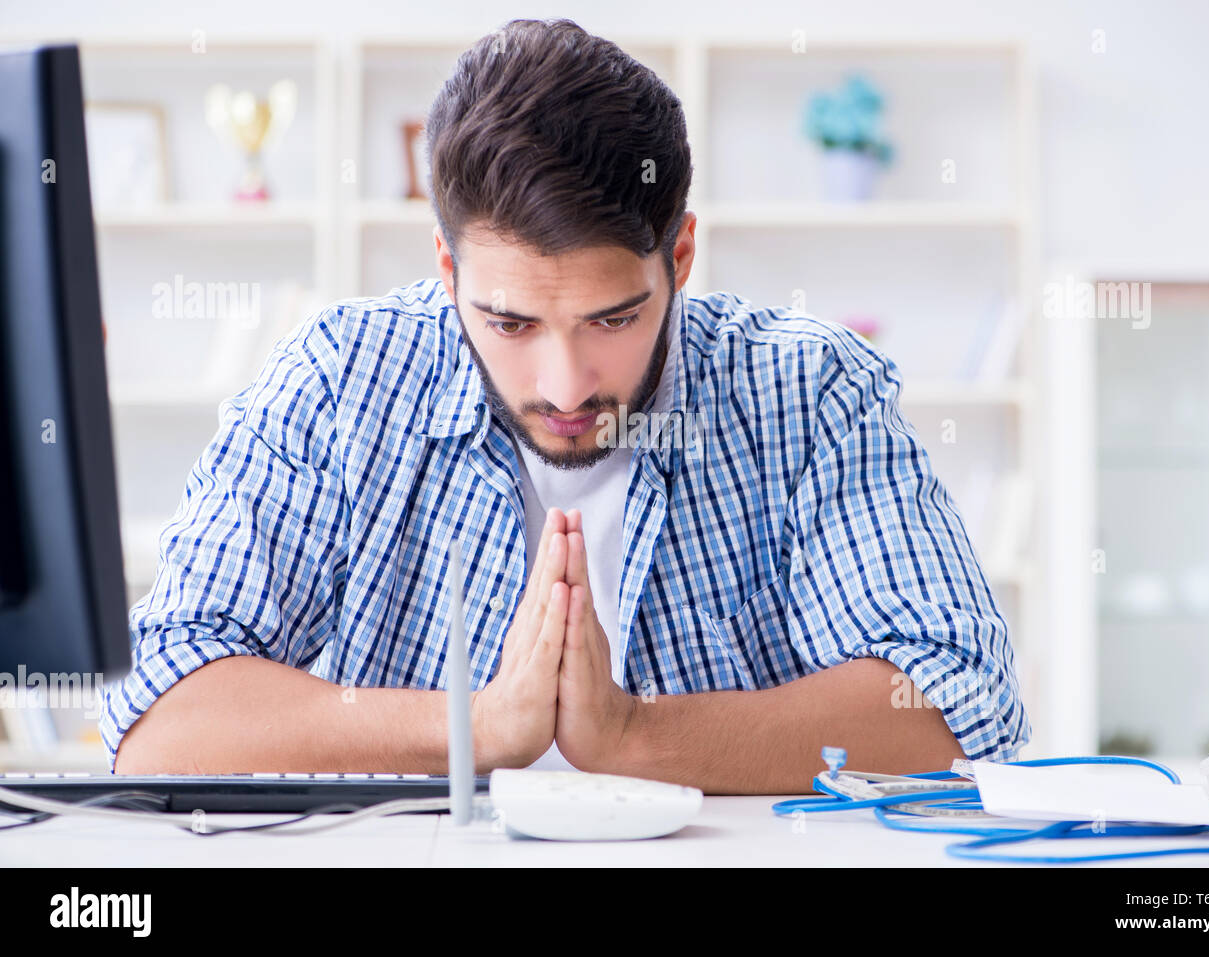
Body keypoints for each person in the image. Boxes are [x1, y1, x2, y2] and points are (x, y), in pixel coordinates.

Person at [102, 18, 1029, 793]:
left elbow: (964, 704)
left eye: (612, 317)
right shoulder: (338, 381)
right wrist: (474, 725)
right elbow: (157, 714)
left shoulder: (811, 391)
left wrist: (634, 736)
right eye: (508, 322)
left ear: (682, 257)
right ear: (445, 269)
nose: (565, 385)